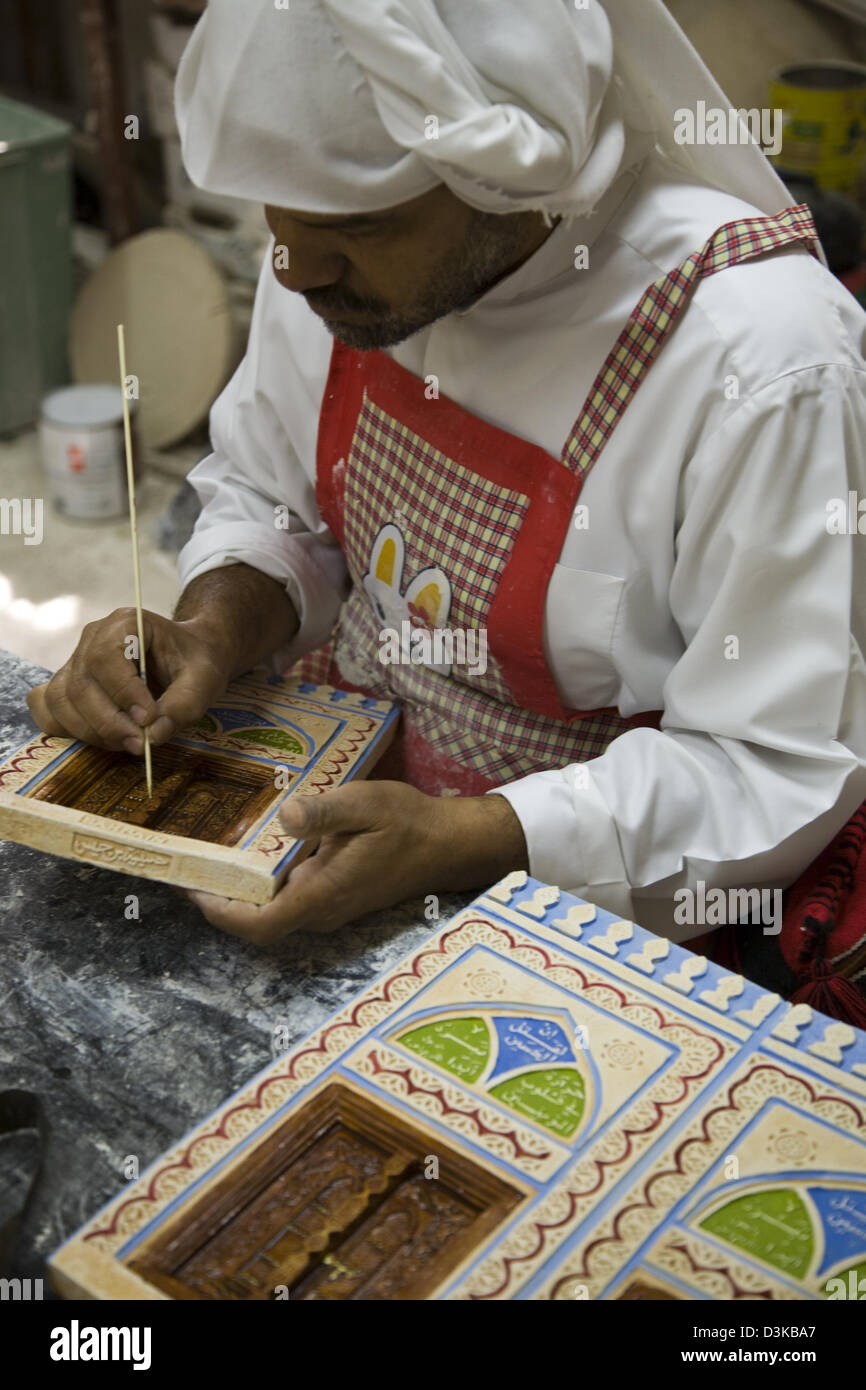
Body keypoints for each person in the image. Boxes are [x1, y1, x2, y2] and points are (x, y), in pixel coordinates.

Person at [28, 1, 866, 972]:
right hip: (341, 810)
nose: (294, 267)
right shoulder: (327, 251)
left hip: (604, 914)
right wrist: (213, 625)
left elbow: (769, 765)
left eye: (358, 226)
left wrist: (462, 838)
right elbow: (266, 489)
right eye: (275, 219)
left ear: (509, 177)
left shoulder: (756, 360)